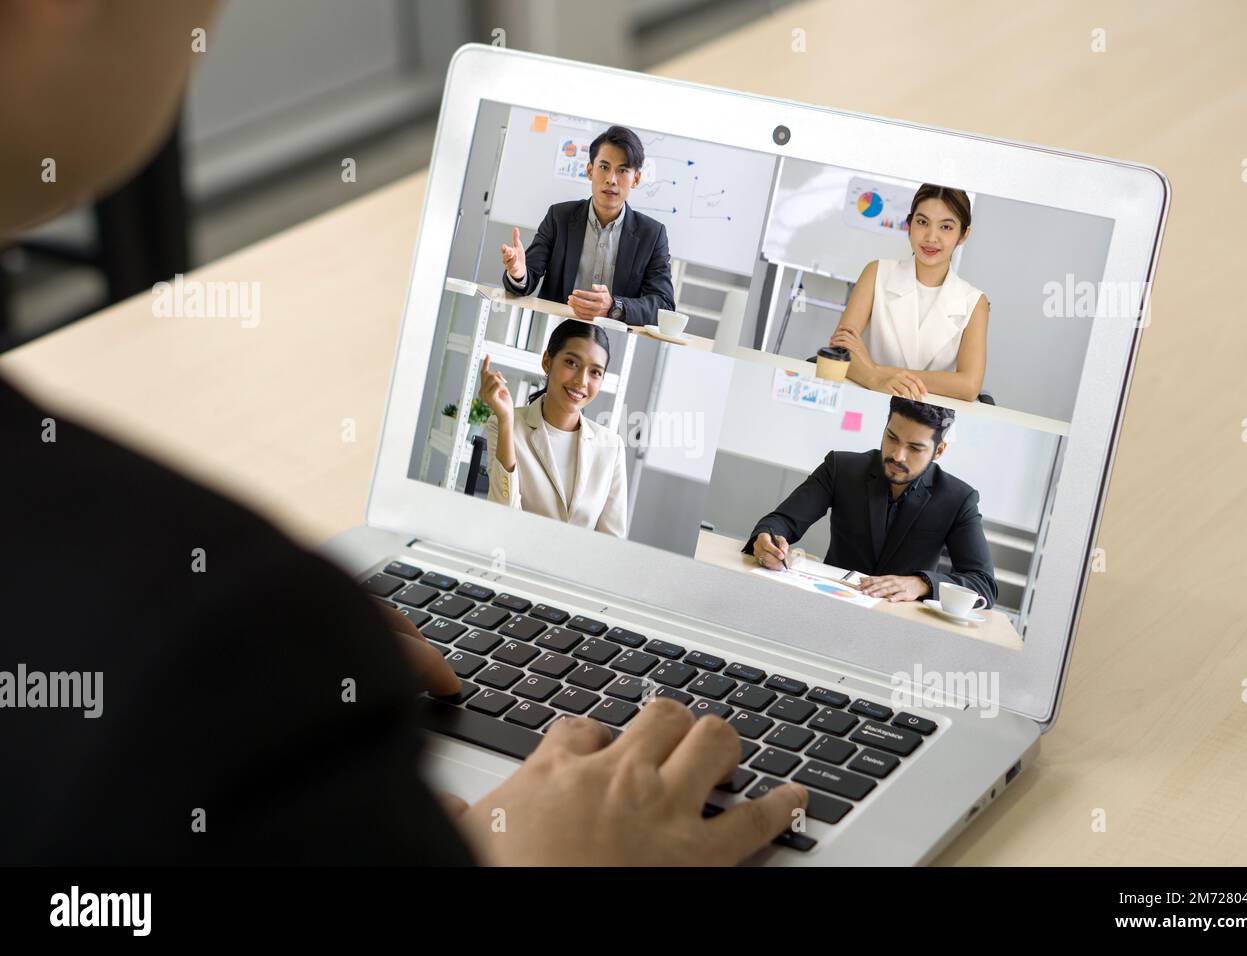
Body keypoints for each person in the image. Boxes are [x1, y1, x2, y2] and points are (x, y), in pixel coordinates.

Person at [0, 0, 805, 866]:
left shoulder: (643, 267)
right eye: (573, 366)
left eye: (596, 372)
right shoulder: (226, 655)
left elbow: (661, 321)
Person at [744, 398, 997, 608]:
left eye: (915, 448)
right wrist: (767, 538)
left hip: (901, 623)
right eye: (892, 437)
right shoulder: (840, 468)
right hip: (829, 605)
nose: (898, 455)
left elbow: (983, 583)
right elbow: (781, 521)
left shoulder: (958, 498)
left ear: (939, 451)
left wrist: (922, 583)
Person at [827, 184, 990, 403]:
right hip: (869, 399)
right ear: (909, 225)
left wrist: (875, 369)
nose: (931, 237)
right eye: (922, 223)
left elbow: (969, 386)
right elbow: (840, 348)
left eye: (946, 227)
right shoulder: (876, 272)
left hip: (930, 418)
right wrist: (874, 379)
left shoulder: (973, 302)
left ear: (963, 235)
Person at [499, 125, 675, 327]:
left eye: (623, 170)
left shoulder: (652, 235)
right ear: (590, 170)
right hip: (552, 330)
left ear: (636, 179)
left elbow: (664, 306)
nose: (611, 179)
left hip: (611, 341)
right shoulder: (559, 218)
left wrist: (614, 307)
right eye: (604, 167)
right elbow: (525, 280)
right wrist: (519, 273)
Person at [479, 320, 628, 536]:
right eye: (571, 363)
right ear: (547, 362)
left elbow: (612, 541)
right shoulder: (506, 425)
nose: (581, 381)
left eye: (595, 372)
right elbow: (503, 515)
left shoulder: (611, 447)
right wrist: (505, 420)